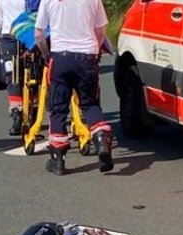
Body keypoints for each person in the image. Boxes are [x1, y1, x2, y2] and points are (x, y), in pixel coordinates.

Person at [36, 0, 114, 175]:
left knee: (58, 108)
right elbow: (101, 30)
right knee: (90, 104)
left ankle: (57, 159)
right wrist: (95, 51)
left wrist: (47, 56)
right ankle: (101, 139)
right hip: (87, 57)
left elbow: (39, 34)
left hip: (60, 57)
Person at [0, 0, 31, 135]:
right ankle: (24, 112)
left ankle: (18, 112)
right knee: (27, 74)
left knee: (13, 76)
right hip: (26, 34)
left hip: (11, 38)